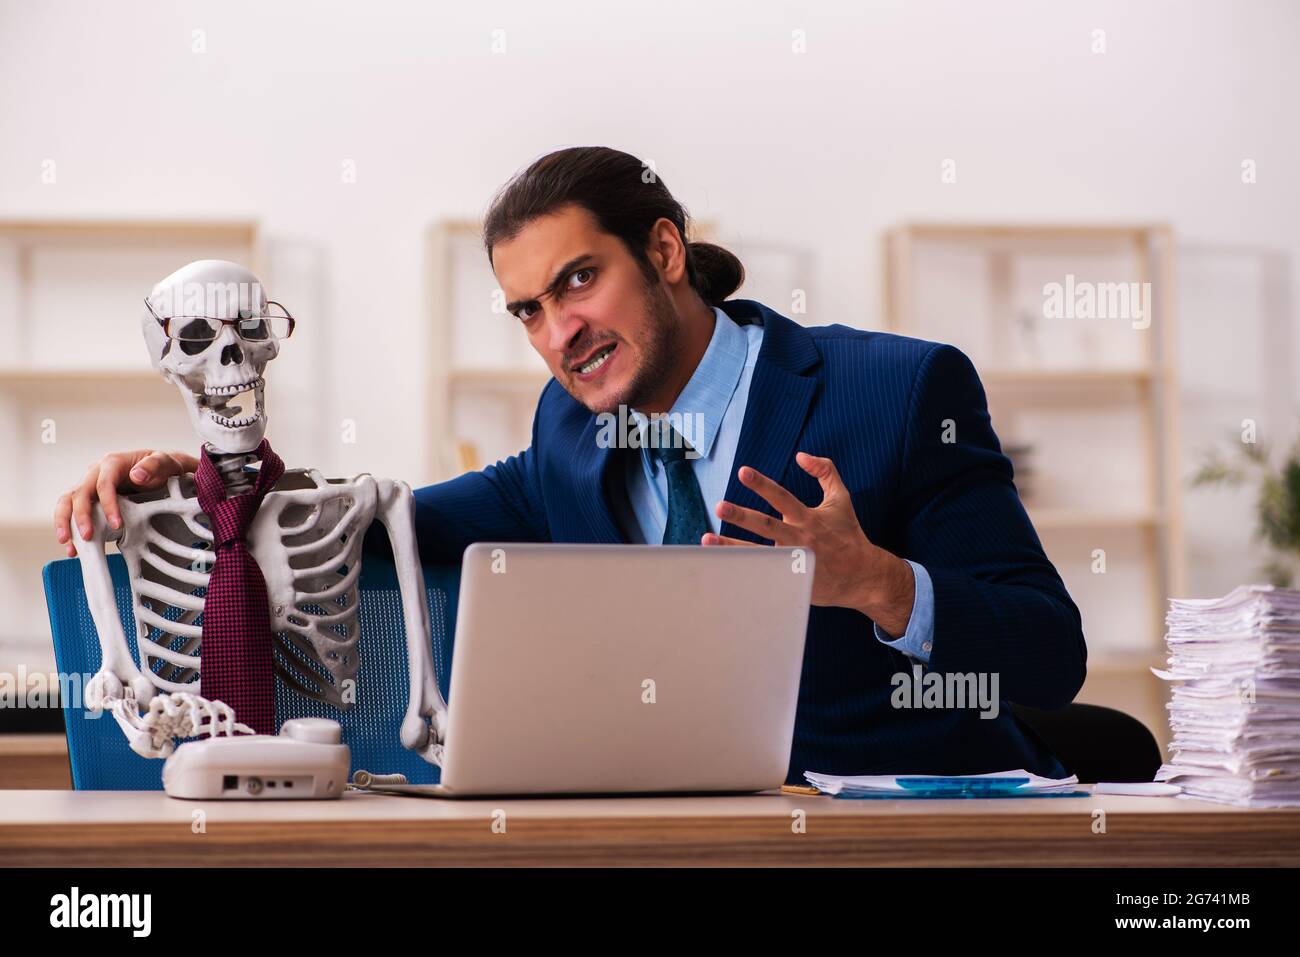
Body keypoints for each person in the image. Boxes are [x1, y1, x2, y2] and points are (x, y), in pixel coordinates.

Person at [53, 145, 1085, 781]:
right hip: (674, 834)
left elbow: (1049, 653)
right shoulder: (570, 432)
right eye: (529, 310)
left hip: (899, 840)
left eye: (578, 281)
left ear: (666, 253)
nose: (559, 332)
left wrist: (879, 585)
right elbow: (388, 520)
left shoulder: (898, 394)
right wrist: (203, 485)